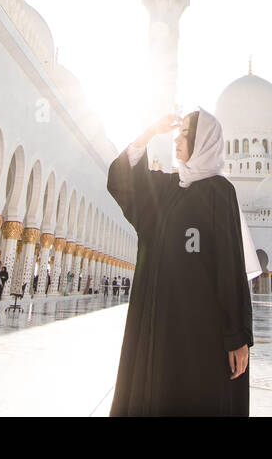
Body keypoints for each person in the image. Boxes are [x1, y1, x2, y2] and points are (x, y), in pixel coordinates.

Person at [107, 109, 253, 416]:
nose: (178, 139)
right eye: (179, 132)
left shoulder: (219, 191)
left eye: (186, 133)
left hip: (201, 334)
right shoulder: (166, 189)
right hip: (157, 328)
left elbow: (230, 266)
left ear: (204, 141)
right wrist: (148, 132)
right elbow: (122, 181)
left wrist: (237, 336)